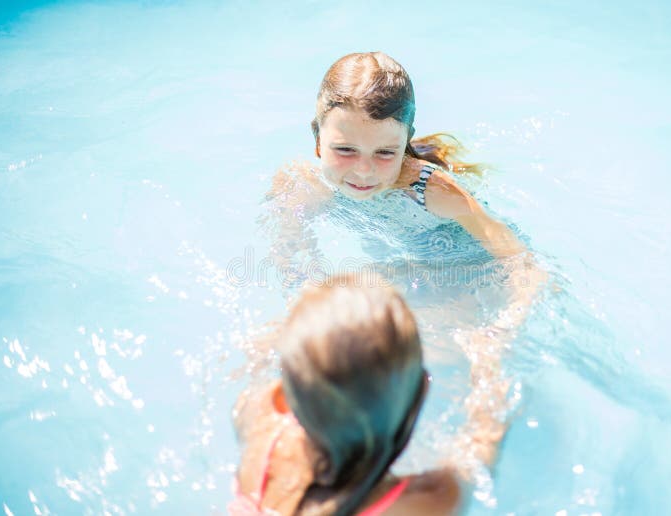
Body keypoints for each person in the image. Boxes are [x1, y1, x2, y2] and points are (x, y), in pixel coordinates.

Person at [262, 51, 546, 320]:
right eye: (345, 150)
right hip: (396, 268)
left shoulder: (431, 193)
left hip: (462, 276)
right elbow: (290, 260)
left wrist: (500, 330)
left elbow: (523, 262)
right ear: (317, 138)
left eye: (385, 153)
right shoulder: (302, 185)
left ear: (405, 143)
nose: (364, 171)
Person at [230, 275, 512, 515]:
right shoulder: (421, 501)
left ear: (282, 398)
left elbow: (254, 384)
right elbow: (477, 457)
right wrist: (487, 371)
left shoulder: (261, 429)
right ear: (424, 389)